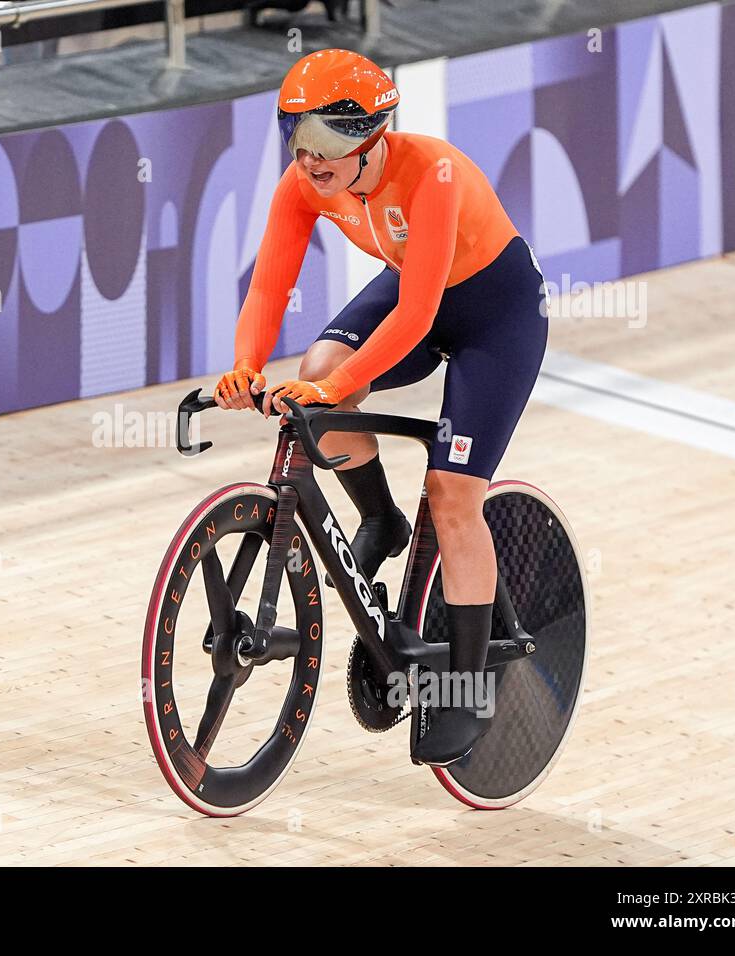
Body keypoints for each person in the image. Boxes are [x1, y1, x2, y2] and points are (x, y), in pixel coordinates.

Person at [214, 49, 548, 767]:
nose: (310, 162)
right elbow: (268, 287)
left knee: (453, 494)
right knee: (318, 369)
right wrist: (245, 367)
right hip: (416, 298)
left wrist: (333, 394)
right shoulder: (306, 184)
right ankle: (380, 519)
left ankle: (462, 685)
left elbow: (418, 317)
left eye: (326, 146)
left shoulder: (431, 173)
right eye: (297, 141)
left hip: (496, 315)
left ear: (371, 134)